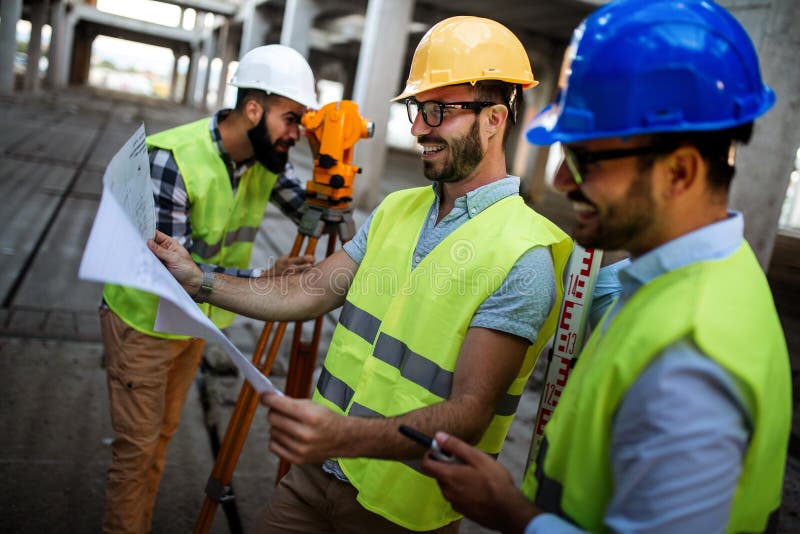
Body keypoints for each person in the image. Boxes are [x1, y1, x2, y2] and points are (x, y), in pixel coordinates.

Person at [150, 16, 573, 533]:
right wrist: (199, 282)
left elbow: (469, 414)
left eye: (437, 111)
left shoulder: (523, 254)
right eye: (418, 110)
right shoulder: (397, 209)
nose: (417, 128)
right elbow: (310, 290)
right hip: (314, 481)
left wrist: (339, 436)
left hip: (397, 512)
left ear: (494, 118)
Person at [420, 1, 792, 533]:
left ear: (679, 172)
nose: (563, 185)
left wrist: (509, 511)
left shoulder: (690, 363)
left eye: (584, 161)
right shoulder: (697, 278)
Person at [100, 44, 317, 534]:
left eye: (302, 122)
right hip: (144, 321)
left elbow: (312, 213)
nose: (296, 134)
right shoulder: (173, 157)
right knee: (137, 454)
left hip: (195, 324)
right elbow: (170, 269)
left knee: (161, 441)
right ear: (254, 110)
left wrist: (332, 164)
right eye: (291, 118)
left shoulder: (267, 156)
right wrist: (264, 279)